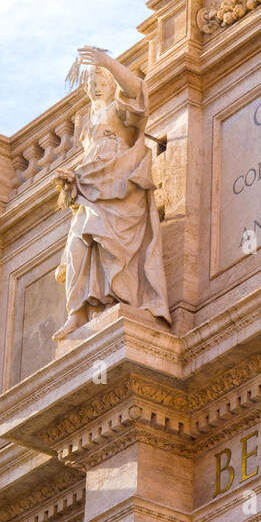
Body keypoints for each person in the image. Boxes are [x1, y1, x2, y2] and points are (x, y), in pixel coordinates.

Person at [53, 47, 170, 340]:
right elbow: (89, 158)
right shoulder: (87, 122)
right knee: (78, 246)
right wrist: (72, 180)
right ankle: (78, 313)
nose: (95, 83)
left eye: (101, 77)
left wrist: (109, 63)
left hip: (119, 184)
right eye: (91, 80)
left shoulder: (120, 106)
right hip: (90, 189)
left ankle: (115, 299)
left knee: (109, 243)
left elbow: (138, 93)